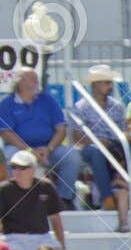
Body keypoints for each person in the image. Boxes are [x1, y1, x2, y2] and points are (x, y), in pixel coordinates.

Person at [73, 64, 131, 231]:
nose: (110, 86)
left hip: (116, 145)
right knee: (97, 152)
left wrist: (126, 136)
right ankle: (107, 197)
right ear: (95, 84)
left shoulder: (117, 106)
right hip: (92, 147)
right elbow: (77, 137)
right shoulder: (81, 107)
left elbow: (124, 129)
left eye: (110, 82)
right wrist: (97, 141)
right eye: (105, 82)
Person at [0, 69, 82, 205]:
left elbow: (61, 129)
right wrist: (29, 151)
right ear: (20, 83)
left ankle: (63, 200)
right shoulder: (7, 104)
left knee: (72, 157)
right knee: (10, 157)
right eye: (32, 79)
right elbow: (6, 133)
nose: (37, 82)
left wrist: (49, 149)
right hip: (19, 149)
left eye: (36, 79)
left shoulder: (47, 100)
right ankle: (14, 200)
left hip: (49, 148)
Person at [0, 151, 71, 250]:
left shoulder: (46, 186)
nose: (17, 171)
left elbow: (55, 219)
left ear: (33, 169)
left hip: (42, 237)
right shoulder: (4, 189)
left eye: (22, 167)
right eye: (14, 167)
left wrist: (62, 246)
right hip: (14, 238)